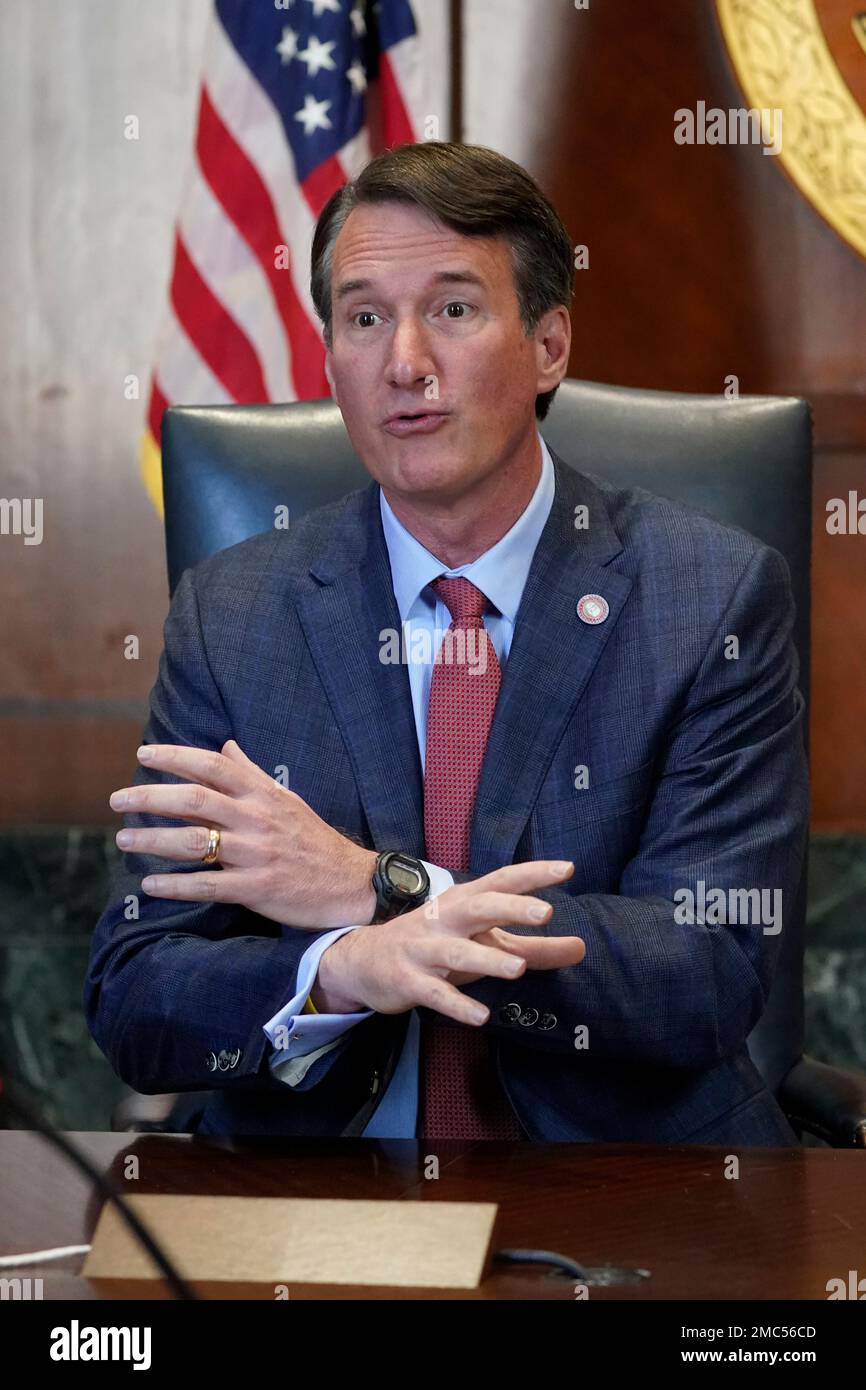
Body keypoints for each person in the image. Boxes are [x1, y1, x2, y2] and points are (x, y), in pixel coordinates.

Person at [85, 141, 808, 1144]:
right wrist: (336, 968)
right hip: (315, 1200)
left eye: (453, 309)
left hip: (624, 1191)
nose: (403, 363)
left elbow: (709, 970)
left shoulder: (706, 597)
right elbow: (136, 993)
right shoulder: (235, 614)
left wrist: (375, 889)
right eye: (364, 316)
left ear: (548, 345)